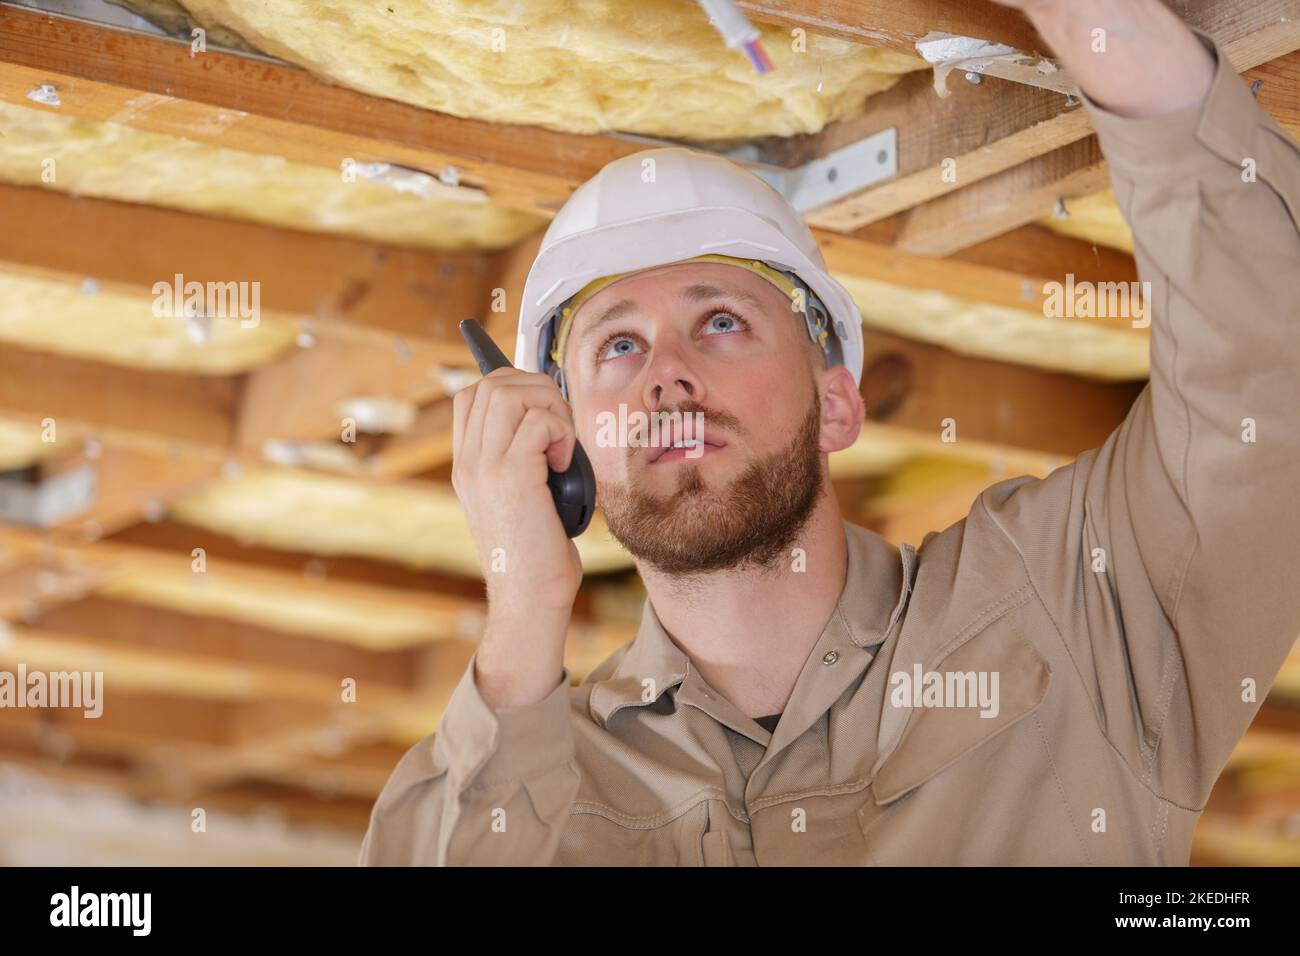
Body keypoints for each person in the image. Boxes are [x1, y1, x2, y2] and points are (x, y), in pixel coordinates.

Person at [359, 0, 1300, 865]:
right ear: (565, 453)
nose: (665, 373)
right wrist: (523, 606)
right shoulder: (542, 793)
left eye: (720, 320)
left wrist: (1102, 23)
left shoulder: (1073, 614)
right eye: (616, 347)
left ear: (838, 401)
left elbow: (1263, 385)